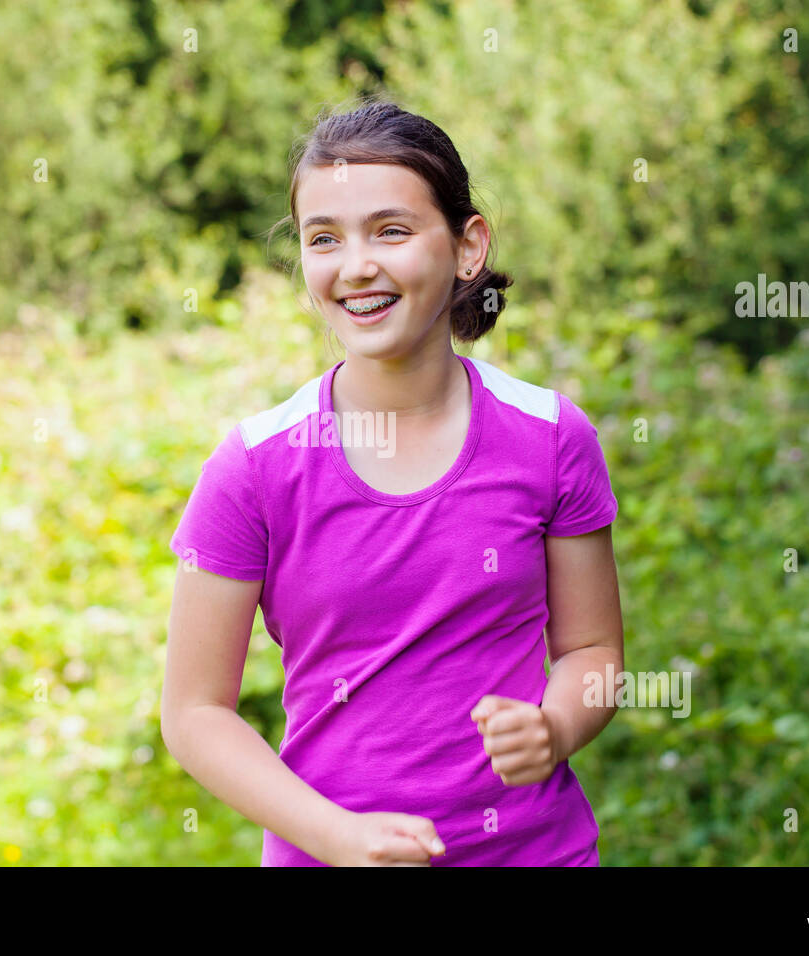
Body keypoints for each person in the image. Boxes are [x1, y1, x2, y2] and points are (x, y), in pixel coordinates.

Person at [161, 99, 624, 866]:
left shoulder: (550, 437)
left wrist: (557, 727)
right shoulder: (253, 467)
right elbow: (195, 712)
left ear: (468, 246)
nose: (356, 265)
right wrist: (336, 837)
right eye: (324, 239)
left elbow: (594, 650)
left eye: (392, 230)